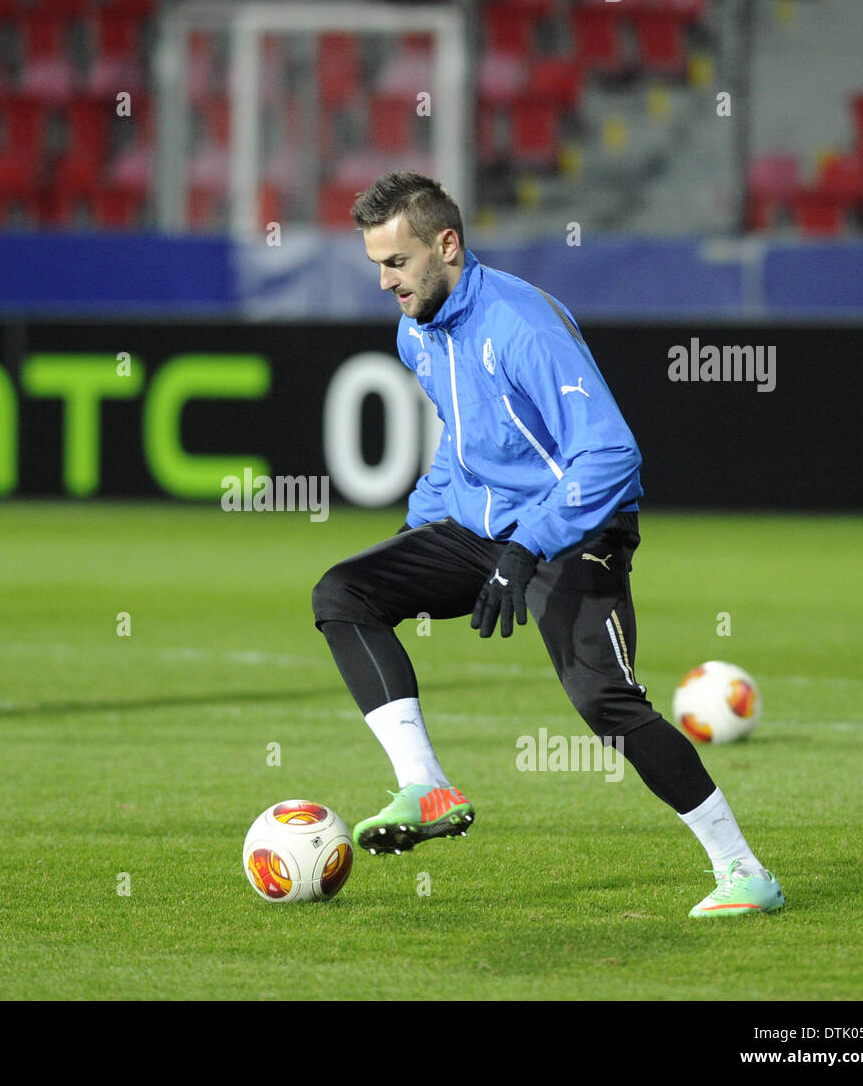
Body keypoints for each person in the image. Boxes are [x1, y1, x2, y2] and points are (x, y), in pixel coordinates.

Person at [312, 171, 783, 917]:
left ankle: (745, 873)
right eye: (376, 264)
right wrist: (418, 529)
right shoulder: (417, 330)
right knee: (345, 591)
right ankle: (426, 786)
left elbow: (610, 456)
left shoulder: (520, 325)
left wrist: (528, 546)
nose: (383, 281)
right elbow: (459, 444)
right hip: (483, 531)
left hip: (578, 527)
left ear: (447, 245)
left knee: (608, 704)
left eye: (396, 262)